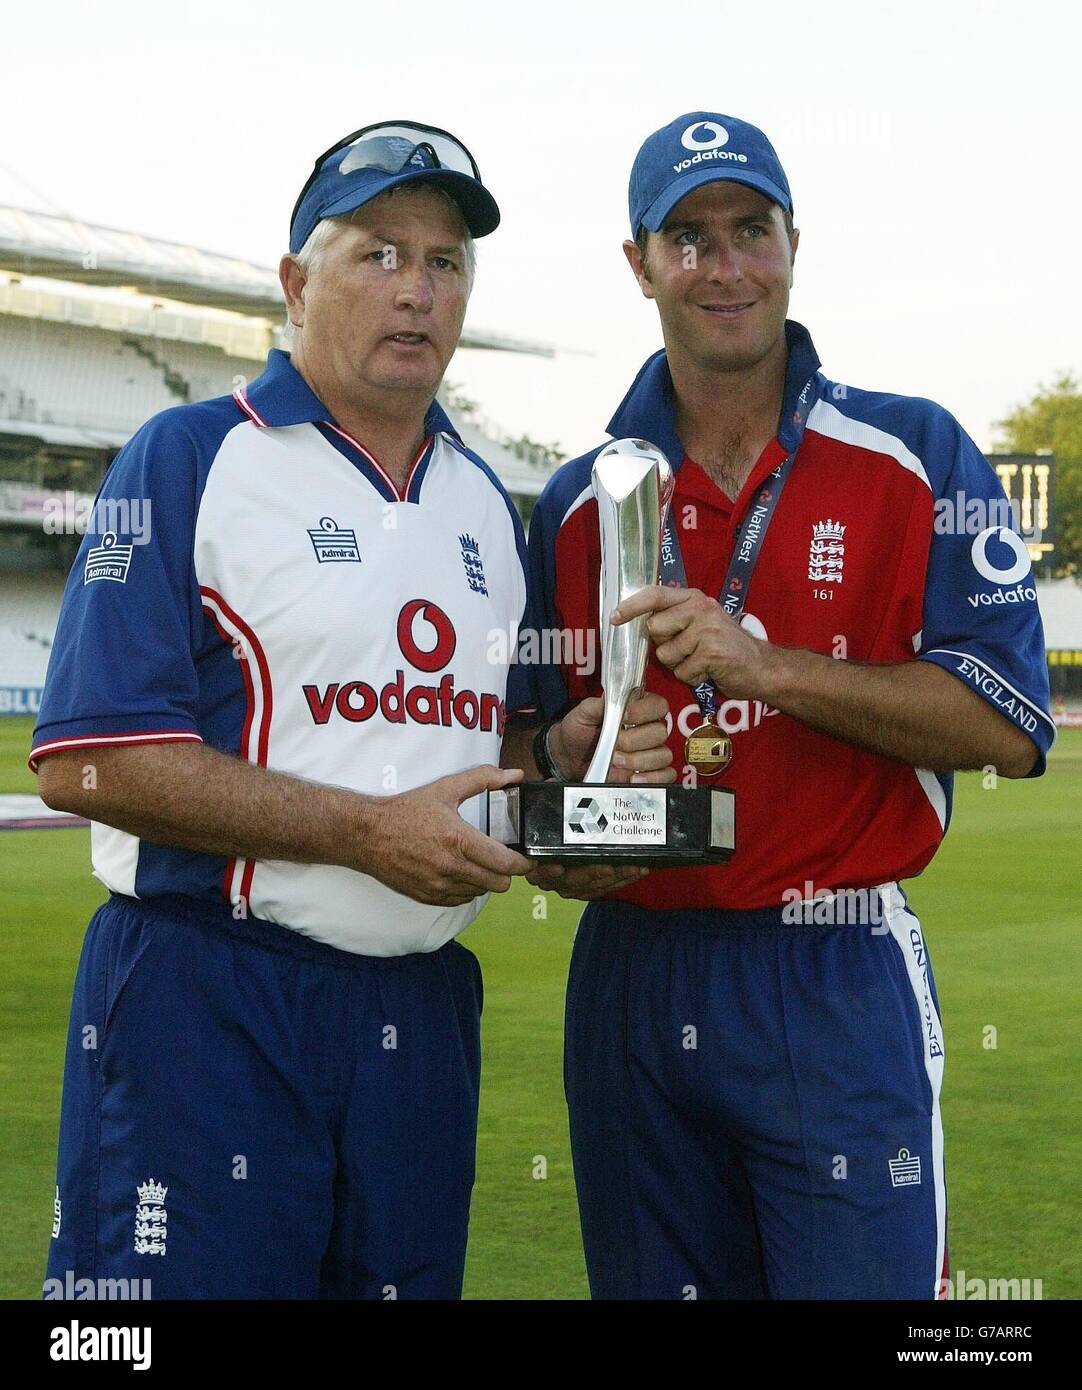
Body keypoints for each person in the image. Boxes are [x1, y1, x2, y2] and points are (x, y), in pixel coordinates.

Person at [32, 120, 671, 1301]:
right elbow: (86, 762)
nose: (416, 290)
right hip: (208, 998)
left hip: (418, 1020)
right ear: (294, 282)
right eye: (377, 253)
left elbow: (504, 745)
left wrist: (565, 758)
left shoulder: (486, 499)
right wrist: (367, 830)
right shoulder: (186, 457)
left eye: (444, 262)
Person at [518, 111, 1054, 1300]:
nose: (724, 267)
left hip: (831, 964)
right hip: (631, 969)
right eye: (689, 238)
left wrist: (768, 667)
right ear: (638, 264)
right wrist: (568, 777)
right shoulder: (573, 499)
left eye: (749, 231)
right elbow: (528, 770)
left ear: (792, 245)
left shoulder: (911, 455)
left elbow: (1011, 724)